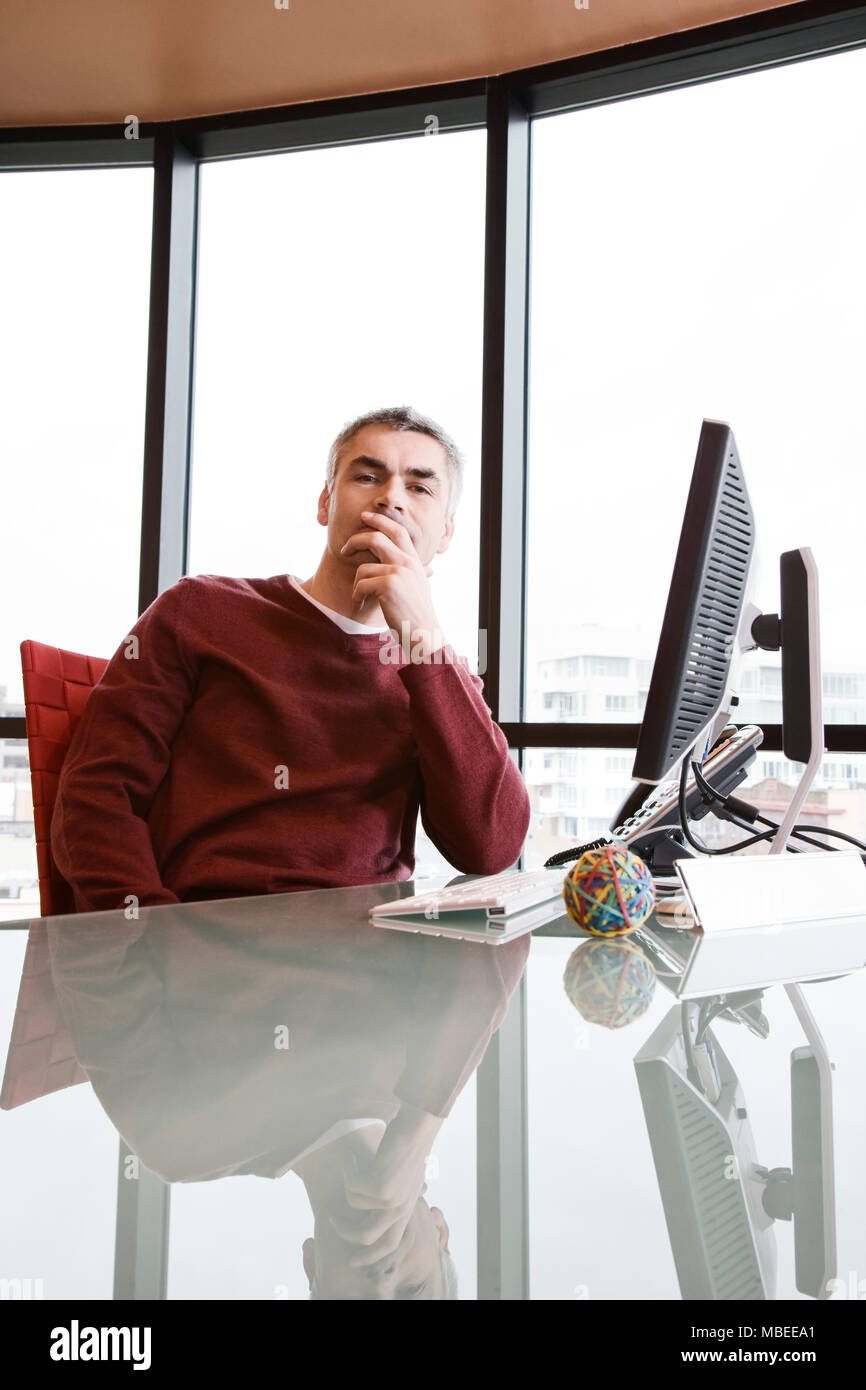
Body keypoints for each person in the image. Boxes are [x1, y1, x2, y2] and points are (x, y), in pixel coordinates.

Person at [51, 405, 530, 911]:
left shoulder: (436, 674)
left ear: (447, 532)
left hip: (373, 958)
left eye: (420, 487)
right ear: (325, 503)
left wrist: (423, 637)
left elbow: (490, 847)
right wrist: (153, 937)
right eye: (367, 476)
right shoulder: (202, 612)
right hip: (205, 948)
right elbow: (97, 795)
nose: (391, 498)